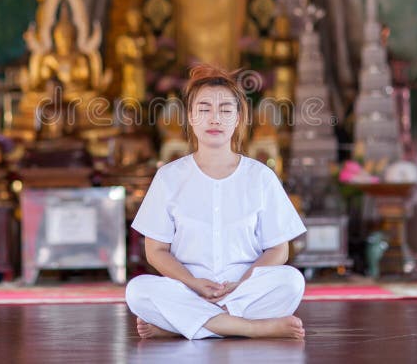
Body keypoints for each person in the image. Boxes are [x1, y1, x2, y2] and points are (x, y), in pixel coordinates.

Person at [125, 64, 307, 340]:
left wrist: (240, 284)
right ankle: (249, 328)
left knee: (292, 282)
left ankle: (182, 325)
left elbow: (278, 250)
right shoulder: (169, 177)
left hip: (245, 288)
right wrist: (194, 284)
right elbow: (156, 251)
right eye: (204, 109)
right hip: (187, 287)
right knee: (137, 290)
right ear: (190, 118)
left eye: (225, 110)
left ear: (237, 119)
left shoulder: (260, 177)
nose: (215, 119)